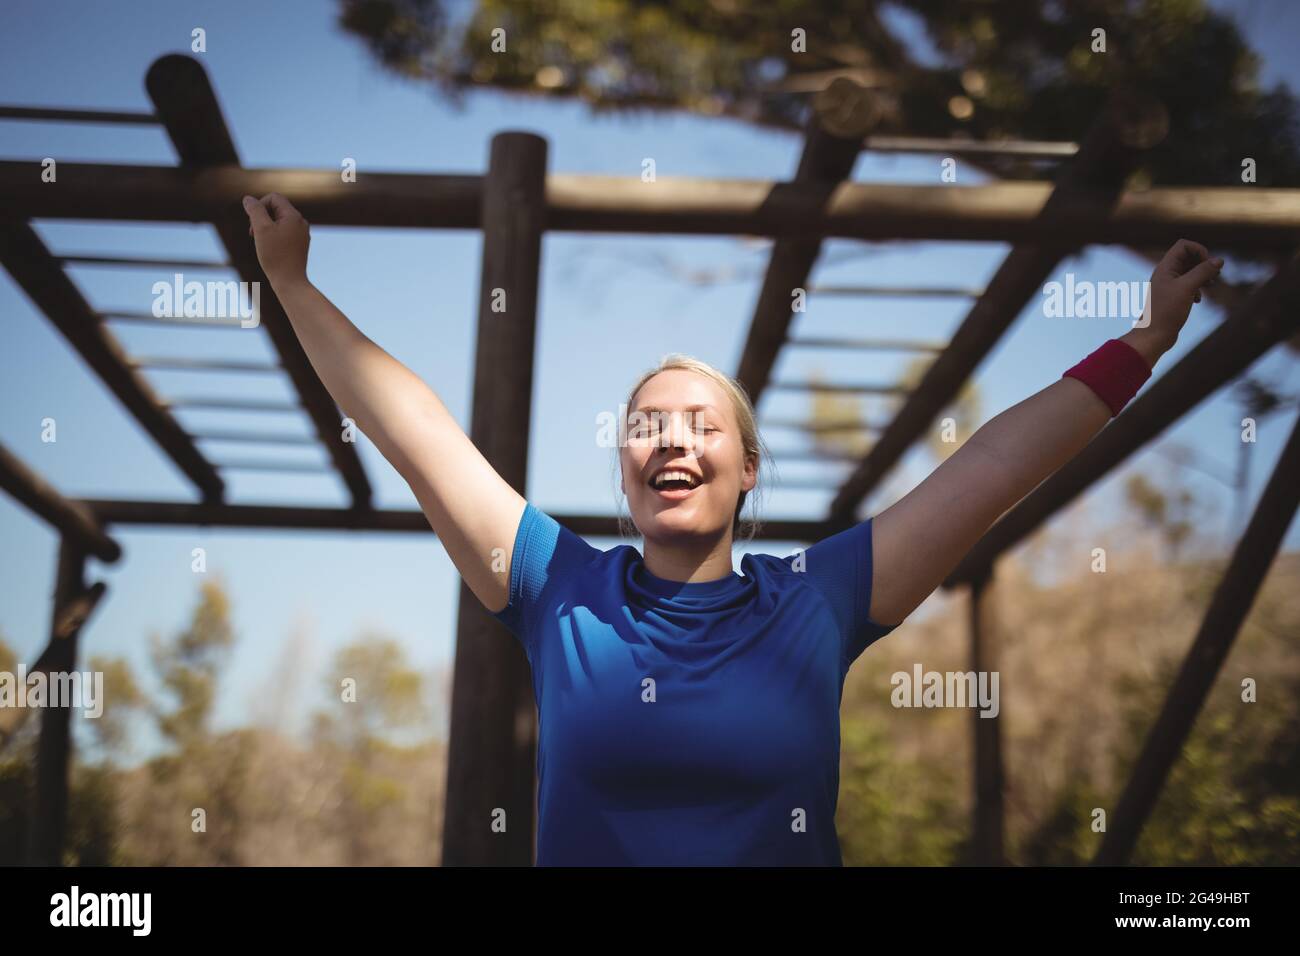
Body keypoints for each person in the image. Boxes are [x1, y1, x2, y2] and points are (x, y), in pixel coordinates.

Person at [243, 192, 1223, 865]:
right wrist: (290, 282)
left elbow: (994, 466)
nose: (671, 441)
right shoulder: (557, 589)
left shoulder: (822, 597)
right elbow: (415, 433)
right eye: (646, 427)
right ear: (623, 472)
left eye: (701, 425)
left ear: (747, 469)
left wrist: (1143, 340)